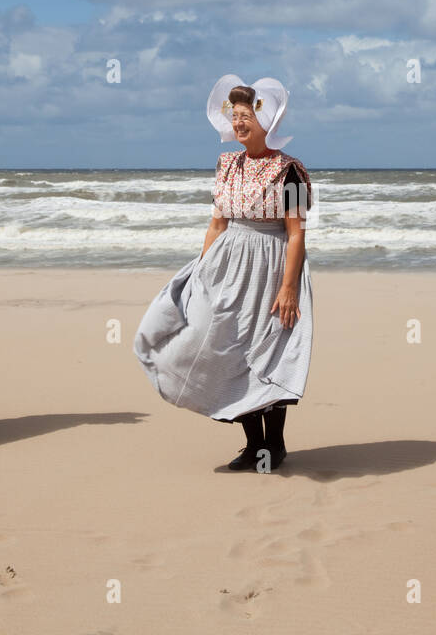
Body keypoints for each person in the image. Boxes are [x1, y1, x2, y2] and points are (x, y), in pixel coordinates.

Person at [134, 75, 314, 472]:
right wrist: (201, 270)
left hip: (271, 265)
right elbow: (217, 223)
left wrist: (288, 289)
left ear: (268, 120)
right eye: (233, 116)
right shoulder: (226, 164)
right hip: (226, 262)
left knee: (266, 351)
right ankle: (252, 444)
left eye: (245, 115)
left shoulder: (291, 172)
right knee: (222, 344)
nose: (238, 122)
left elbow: (297, 234)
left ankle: (273, 447)